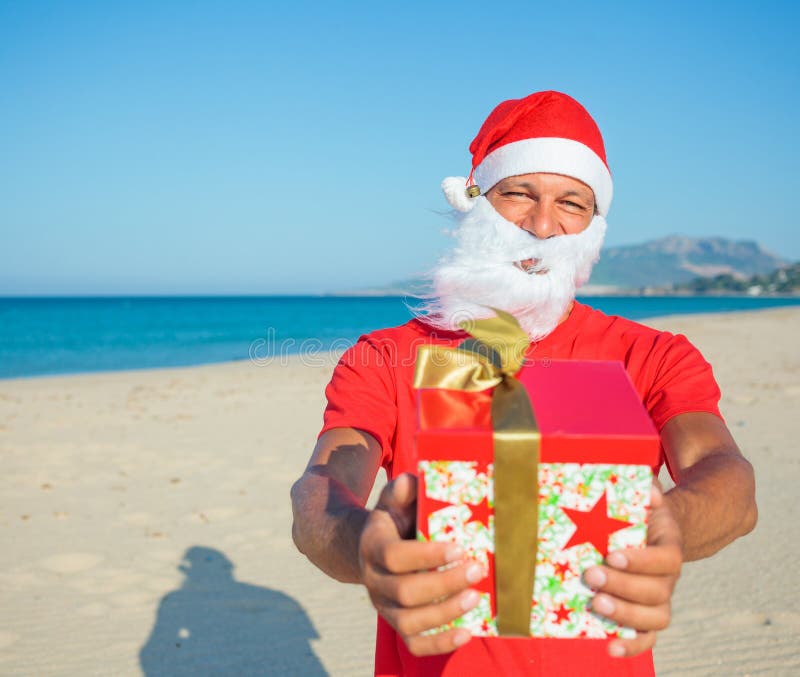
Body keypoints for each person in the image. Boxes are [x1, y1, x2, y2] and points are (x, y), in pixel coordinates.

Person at [290, 91, 757, 676]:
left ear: (593, 225)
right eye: (518, 194)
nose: (542, 225)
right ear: (475, 203)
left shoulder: (653, 355)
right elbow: (322, 488)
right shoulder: (387, 356)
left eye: (571, 203)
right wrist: (362, 543)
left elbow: (727, 477)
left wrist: (670, 527)